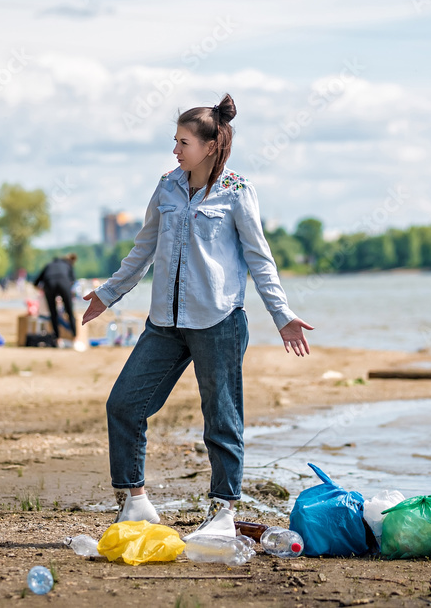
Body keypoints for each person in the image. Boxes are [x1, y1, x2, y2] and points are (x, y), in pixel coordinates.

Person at [82, 93, 313, 539]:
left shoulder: (238, 192)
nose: (174, 150)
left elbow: (259, 260)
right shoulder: (167, 186)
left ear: (209, 146)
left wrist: (281, 314)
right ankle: (136, 502)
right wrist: (109, 293)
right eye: (175, 140)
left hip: (219, 322)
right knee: (125, 405)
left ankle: (223, 511)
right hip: (164, 325)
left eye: (182, 142)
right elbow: (143, 248)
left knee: (221, 418)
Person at [33, 253, 78, 346]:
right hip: (63, 283)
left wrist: (44, 290)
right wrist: (66, 296)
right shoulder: (68, 265)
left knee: (53, 313)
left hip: (49, 284)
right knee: (70, 312)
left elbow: (36, 282)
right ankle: (75, 338)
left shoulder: (49, 265)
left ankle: (58, 339)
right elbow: (73, 281)